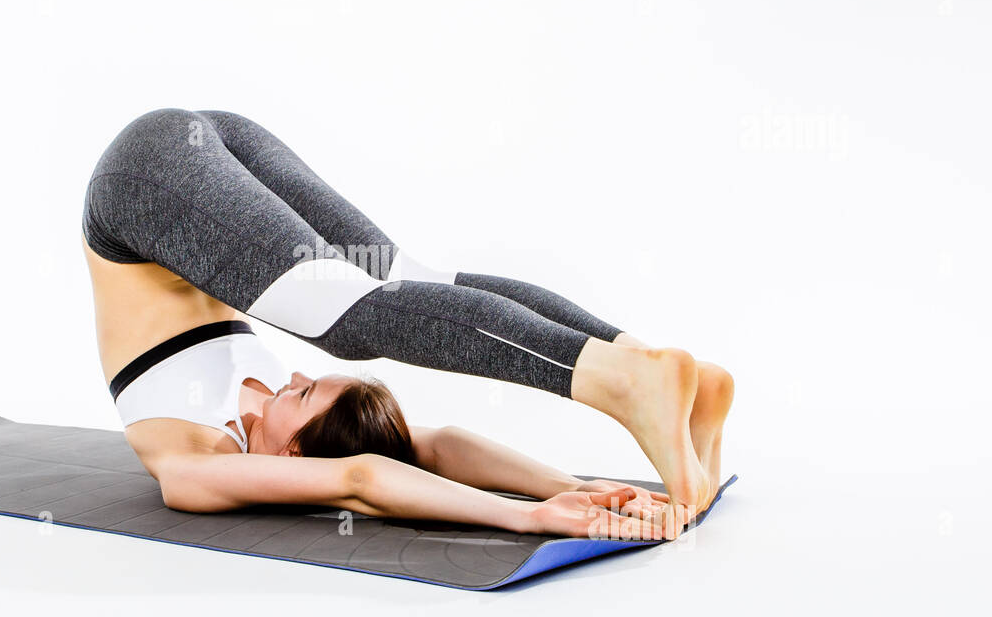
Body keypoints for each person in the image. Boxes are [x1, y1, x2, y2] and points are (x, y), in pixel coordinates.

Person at [82, 109, 734, 541]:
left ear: (291, 455)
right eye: (309, 390)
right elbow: (423, 450)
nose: (299, 375)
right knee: (399, 290)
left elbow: (359, 477)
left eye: (307, 394)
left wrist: (535, 512)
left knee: (359, 309)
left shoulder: (197, 466)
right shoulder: (290, 443)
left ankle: (630, 377)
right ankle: (642, 367)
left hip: (142, 184)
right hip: (196, 160)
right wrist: (570, 494)